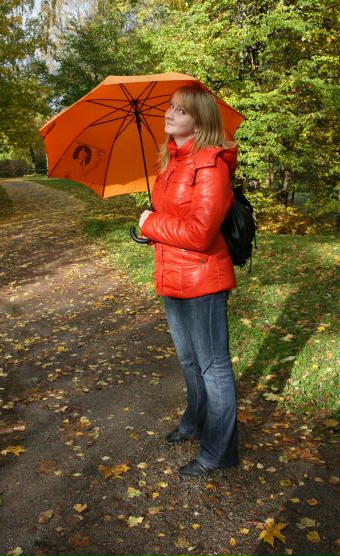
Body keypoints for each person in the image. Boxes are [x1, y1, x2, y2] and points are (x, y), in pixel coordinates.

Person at [138, 85, 238, 478]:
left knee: (214, 367)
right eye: (170, 107)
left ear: (199, 121)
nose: (169, 114)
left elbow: (199, 233)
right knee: (189, 360)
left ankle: (219, 452)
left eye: (180, 110)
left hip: (203, 279)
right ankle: (196, 421)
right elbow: (173, 223)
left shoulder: (211, 165)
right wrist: (150, 230)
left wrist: (152, 224)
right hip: (171, 275)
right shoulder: (170, 163)